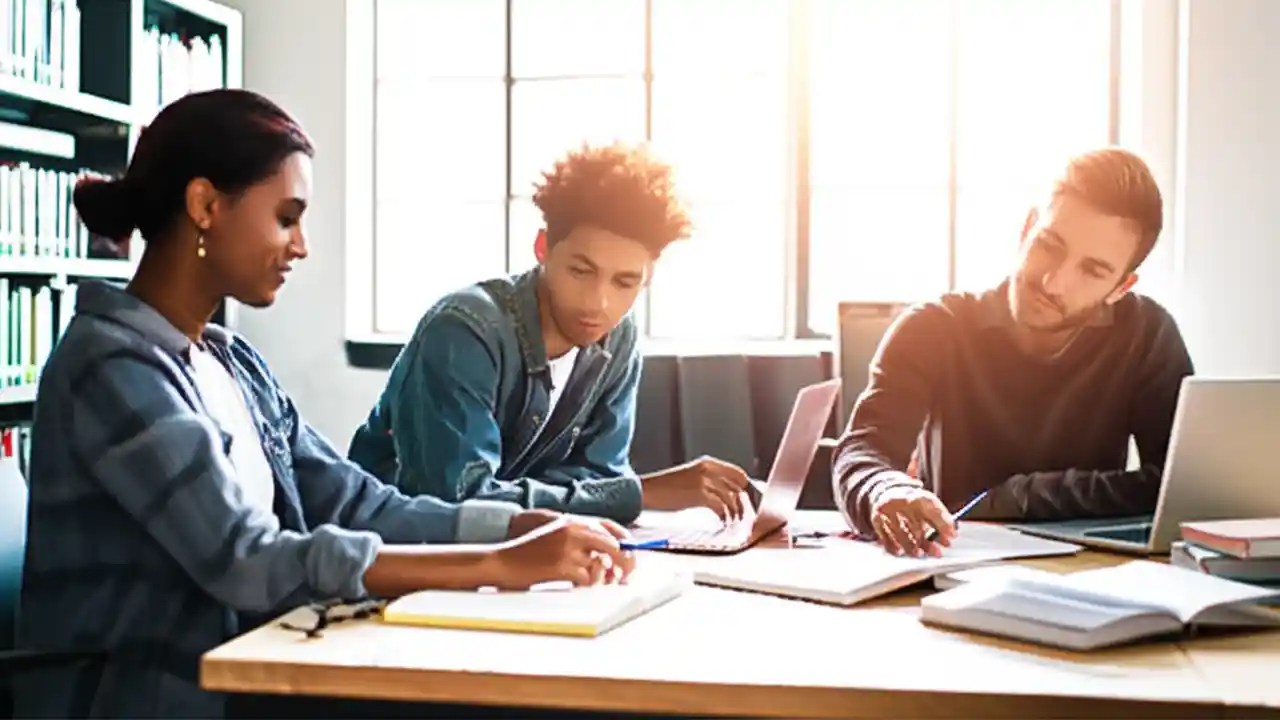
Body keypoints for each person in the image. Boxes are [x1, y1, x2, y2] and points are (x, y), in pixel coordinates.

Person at [16, 89, 634, 719]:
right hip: (144, 698)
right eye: (287, 217)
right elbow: (245, 558)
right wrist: (495, 563)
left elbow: (354, 501)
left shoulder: (233, 362)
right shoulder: (110, 365)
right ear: (205, 205)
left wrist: (512, 527)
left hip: (255, 667)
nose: (301, 245)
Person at [347, 143, 752, 525]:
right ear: (543, 247)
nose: (600, 304)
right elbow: (459, 503)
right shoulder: (464, 330)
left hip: (526, 557)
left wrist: (603, 495)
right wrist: (638, 493)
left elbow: (600, 475)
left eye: (625, 282)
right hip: (398, 555)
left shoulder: (619, 338)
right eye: (581, 270)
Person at [832, 147, 1195, 557]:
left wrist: (1021, 496)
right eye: (1050, 245)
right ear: (1027, 228)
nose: (1054, 282)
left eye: (1091, 271)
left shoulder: (1147, 335)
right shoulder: (932, 327)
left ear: (1120, 288)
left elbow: (1178, 484)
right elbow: (862, 452)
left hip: (1092, 570)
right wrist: (886, 488)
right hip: (951, 566)